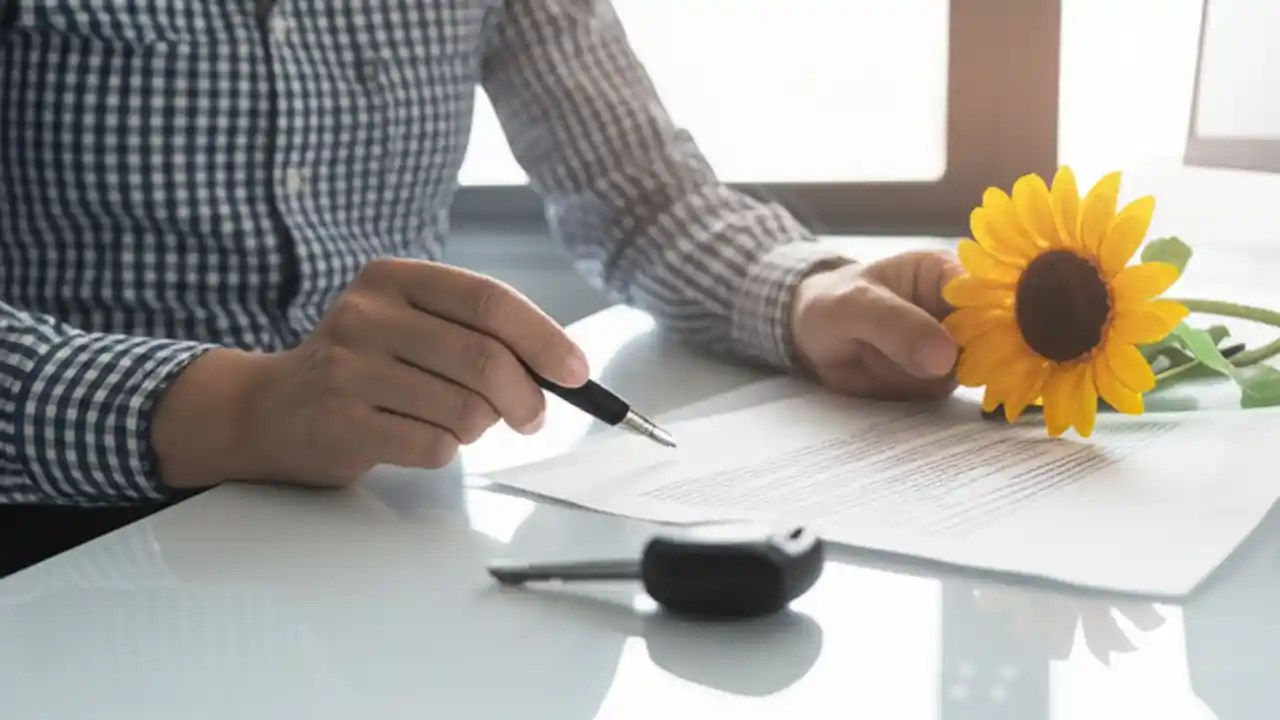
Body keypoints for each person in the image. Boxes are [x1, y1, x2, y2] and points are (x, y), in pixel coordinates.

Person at [0, 1, 961, 511]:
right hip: (67, 543)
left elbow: (639, 192)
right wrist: (241, 408)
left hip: (396, 522)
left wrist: (806, 291)